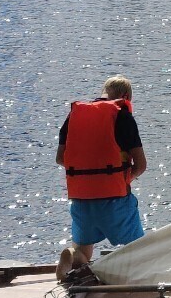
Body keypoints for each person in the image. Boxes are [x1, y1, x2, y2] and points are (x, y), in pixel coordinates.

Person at [55, 74, 147, 280]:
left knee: (84, 251)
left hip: (80, 201)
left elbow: (61, 158)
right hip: (115, 202)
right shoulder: (122, 116)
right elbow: (141, 165)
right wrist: (120, 179)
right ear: (125, 97)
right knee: (141, 250)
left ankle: (72, 256)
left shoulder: (75, 115)